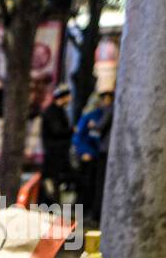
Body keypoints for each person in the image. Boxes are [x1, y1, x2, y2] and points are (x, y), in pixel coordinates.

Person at [72, 89, 113, 223]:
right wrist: (84, 152)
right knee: (86, 185)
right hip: (90, 156)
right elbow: (79, 137)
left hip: (97, 155)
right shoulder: (90, 116)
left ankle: (89, 211)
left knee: (94, 186)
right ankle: (82, 211)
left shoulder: (103, 114)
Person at [39, 83, 74, 205]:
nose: (70, 99)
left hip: (58, 152)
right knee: (52, 180)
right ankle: (49, 204)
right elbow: (57, 130)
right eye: (68, 96)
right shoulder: (52, 112)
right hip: (54, 153)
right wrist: (72, 130)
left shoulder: (59, 111)